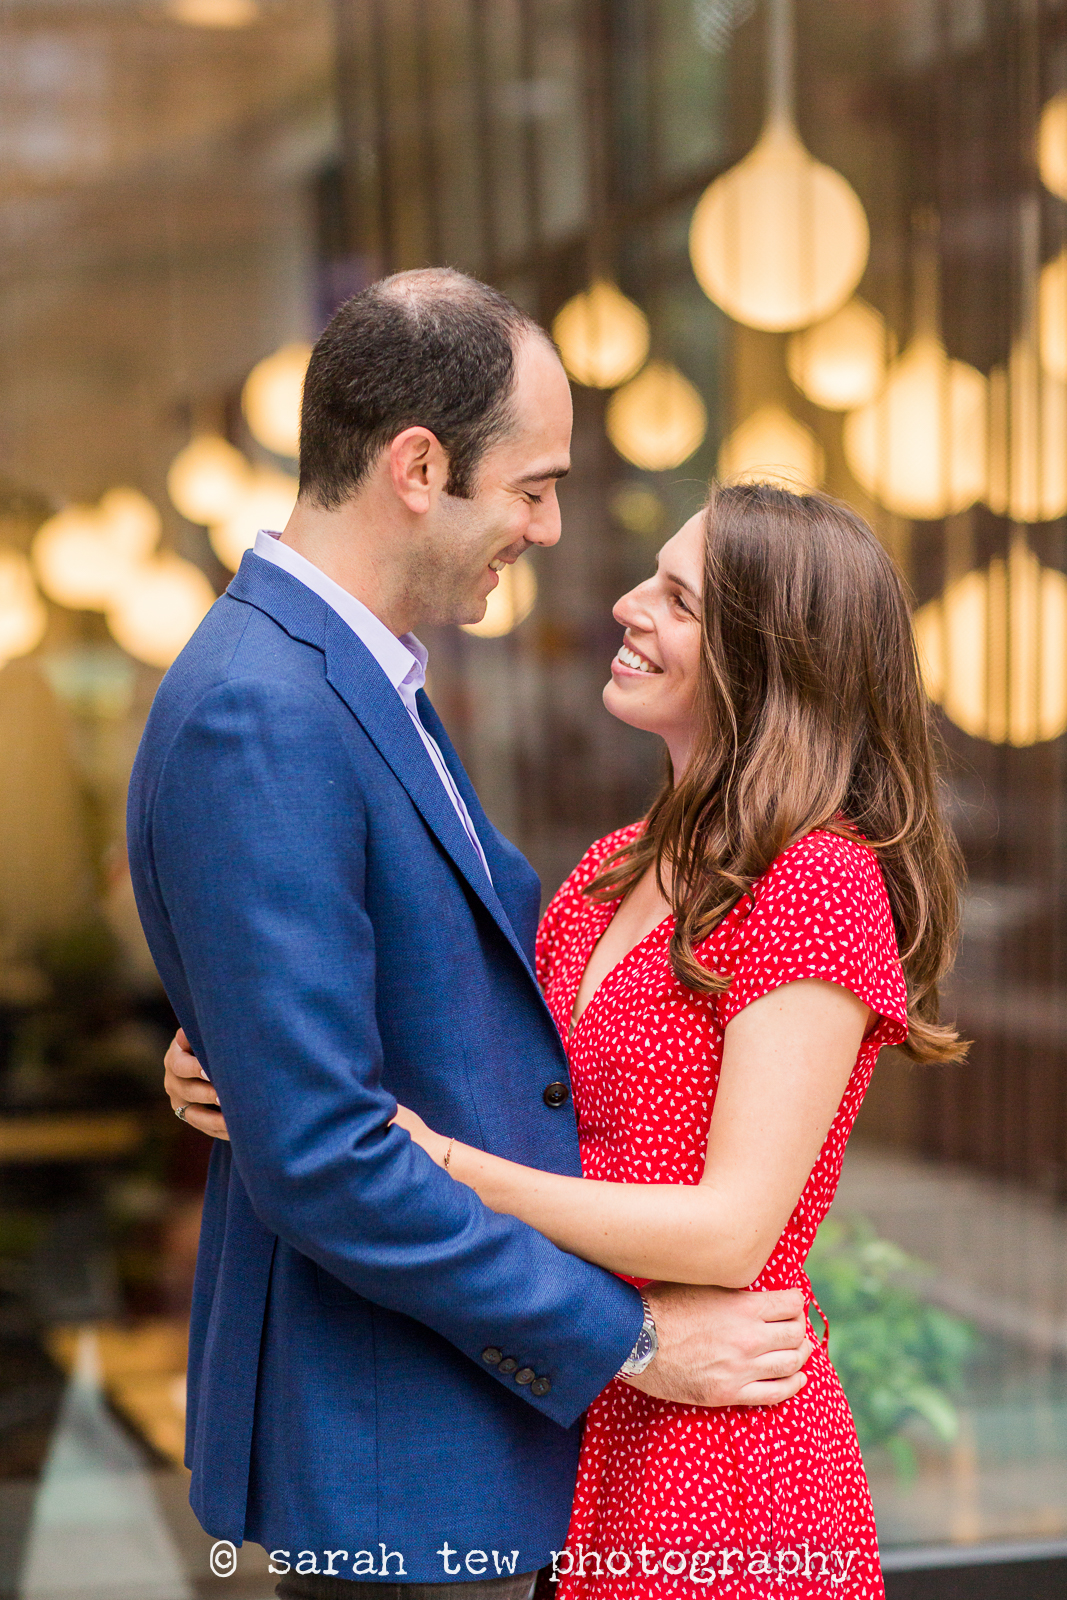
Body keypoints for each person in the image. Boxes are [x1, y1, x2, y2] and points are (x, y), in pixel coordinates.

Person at [135, 269, 812, 1600]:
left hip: (452, 1434)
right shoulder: (264, 710)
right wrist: (626, 1341)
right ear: (420, 466)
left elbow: (421, 1008)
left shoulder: (348, 677)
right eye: (535, 484)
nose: (554, 530)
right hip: (402, 1448)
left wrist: (254, 1053)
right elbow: (330, 1161)